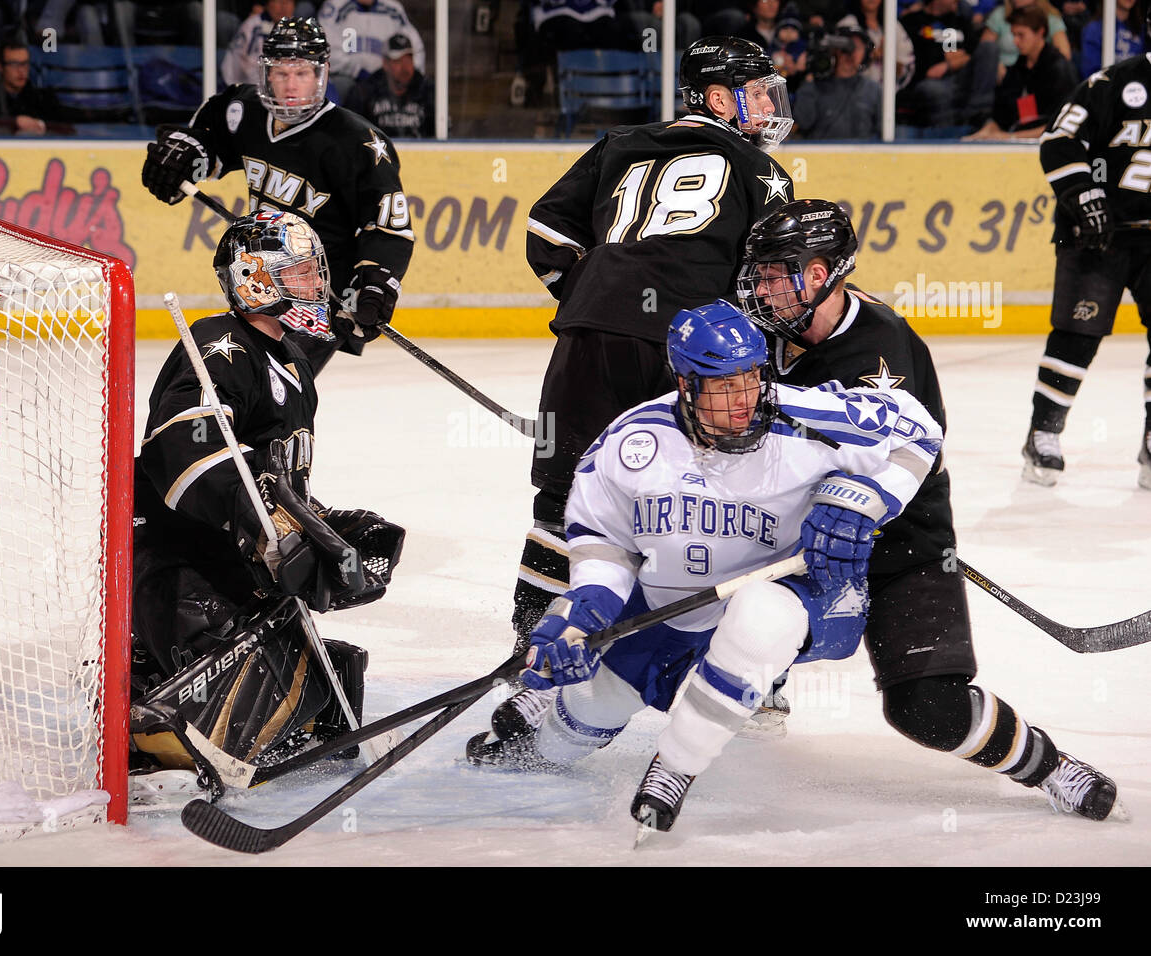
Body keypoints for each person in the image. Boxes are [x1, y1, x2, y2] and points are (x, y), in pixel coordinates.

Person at [466, 302, 947, 834]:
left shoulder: (811, 419)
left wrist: (868, 496)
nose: (742, 402)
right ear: (685, 384)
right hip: (675, 600)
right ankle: (550, 729)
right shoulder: (634, 442)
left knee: (762, 620)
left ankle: (674, 767)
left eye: (751, 380)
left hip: (799, 589)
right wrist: (584, 613)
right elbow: (604, 541)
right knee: (596, 708)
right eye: (721, 387)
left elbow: (921, 433)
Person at [729, 198, 1125, 822]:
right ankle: (764, 670)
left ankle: (1051, 767)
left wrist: (861, 511)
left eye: (779, 273)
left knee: (927, 709)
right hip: (790, 549)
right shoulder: (760, 337)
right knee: (699, 611)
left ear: (824, 272)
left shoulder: (880, 348)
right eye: (761, 273)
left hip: (900, 546)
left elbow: (905, 458)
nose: (763, 288)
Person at [491, 36, 795, 745]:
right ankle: (752, 666)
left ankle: (531, 647)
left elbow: (544, 228)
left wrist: (598, 297)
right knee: (724, 486)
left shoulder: (619, 143)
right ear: (718, 99)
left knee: (563, 494)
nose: (768, 104)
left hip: (591, 331)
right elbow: (774, 274)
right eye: (755, 90)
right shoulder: (759, 167)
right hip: (690, 344)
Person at [129, 210, 405, 786]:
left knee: (333, 693)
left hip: (235, 560)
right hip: (180, 561)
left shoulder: (294, 360)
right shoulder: (219, 343)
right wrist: (261, 517)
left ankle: (159, 694)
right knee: (251, 694)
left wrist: (318, 522)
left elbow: (276, 473)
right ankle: (144, 704)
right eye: (300, 272)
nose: (315, 283)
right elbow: (183, 446)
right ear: (256, 279)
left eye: (312, 271)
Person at [141, 17, 414, 375]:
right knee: (237, 378)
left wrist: (376, 287)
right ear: (266, 74)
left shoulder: (356, 142)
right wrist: (181, 162)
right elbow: (209, 143)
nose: (290, 86)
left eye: (301, 74)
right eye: (281, 73)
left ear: (322, 74)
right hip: (258, 279)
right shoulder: (244, 111)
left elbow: (387, 226)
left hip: (317, 293)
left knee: (272, 386)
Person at [1020, 51, 1151, 487]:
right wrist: (1081, 193)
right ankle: (1044, 433)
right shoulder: (1110, 83)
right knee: (1078, 335)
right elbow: (1057, 138)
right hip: (1097, 233)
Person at [962, 4, 1077, 139]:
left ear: (1040, 32)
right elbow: (1001, 116)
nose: (1015, 41)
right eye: (1013, 35)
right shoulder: (1018, 68)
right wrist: (984, 134)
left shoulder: (1059, 69)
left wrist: (1010, 137)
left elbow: (1060, 125)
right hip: (1018, 137)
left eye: (1021, 35)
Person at [898, 0, 997, 130]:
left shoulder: (961, 21)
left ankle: (980, 118)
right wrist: (958, 56)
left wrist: (949, 64)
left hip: (963, 78)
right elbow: (924, 63)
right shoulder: (912, 21)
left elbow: (975, 53)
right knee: (935, 90)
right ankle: (946, 141)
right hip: (928, 81)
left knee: (989, 48)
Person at [792, 25, 880, 139]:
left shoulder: (873, 90)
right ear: (834, 50)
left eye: (856, 47)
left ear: (865, 53)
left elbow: (883, 131)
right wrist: (809, 79)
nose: (849, 53)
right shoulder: (815, 85)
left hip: (863, 155)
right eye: (844, 47)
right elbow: (803, 122)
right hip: (821, 154)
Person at [344, 32, 434, 137]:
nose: (405, 67)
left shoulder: (427, 90)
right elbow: (349, 134)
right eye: (398, 61)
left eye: (409, 59)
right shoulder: (365, 92)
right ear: (385, 63)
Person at [318, 0, 426, 81]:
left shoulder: (393, 9)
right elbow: (325, 48)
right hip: (348, 78)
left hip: (386, 81)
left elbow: (416, 48)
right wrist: (356, 71)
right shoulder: (334, 6)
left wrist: (407, 74)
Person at [0, 40, 65, 136]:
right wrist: (13, 122)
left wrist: (41, 125)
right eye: (14, 64)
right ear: (0, 67)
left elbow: (64, 126)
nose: (21, 70)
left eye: (25, 64)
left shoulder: (44, 99)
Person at [221, 0, 318, 88]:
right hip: (240, 87)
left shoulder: (299, 28)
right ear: (267, 4)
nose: (283, 7)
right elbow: (246, 69)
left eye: (288, 2)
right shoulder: (253, 26)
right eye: (278, 1)